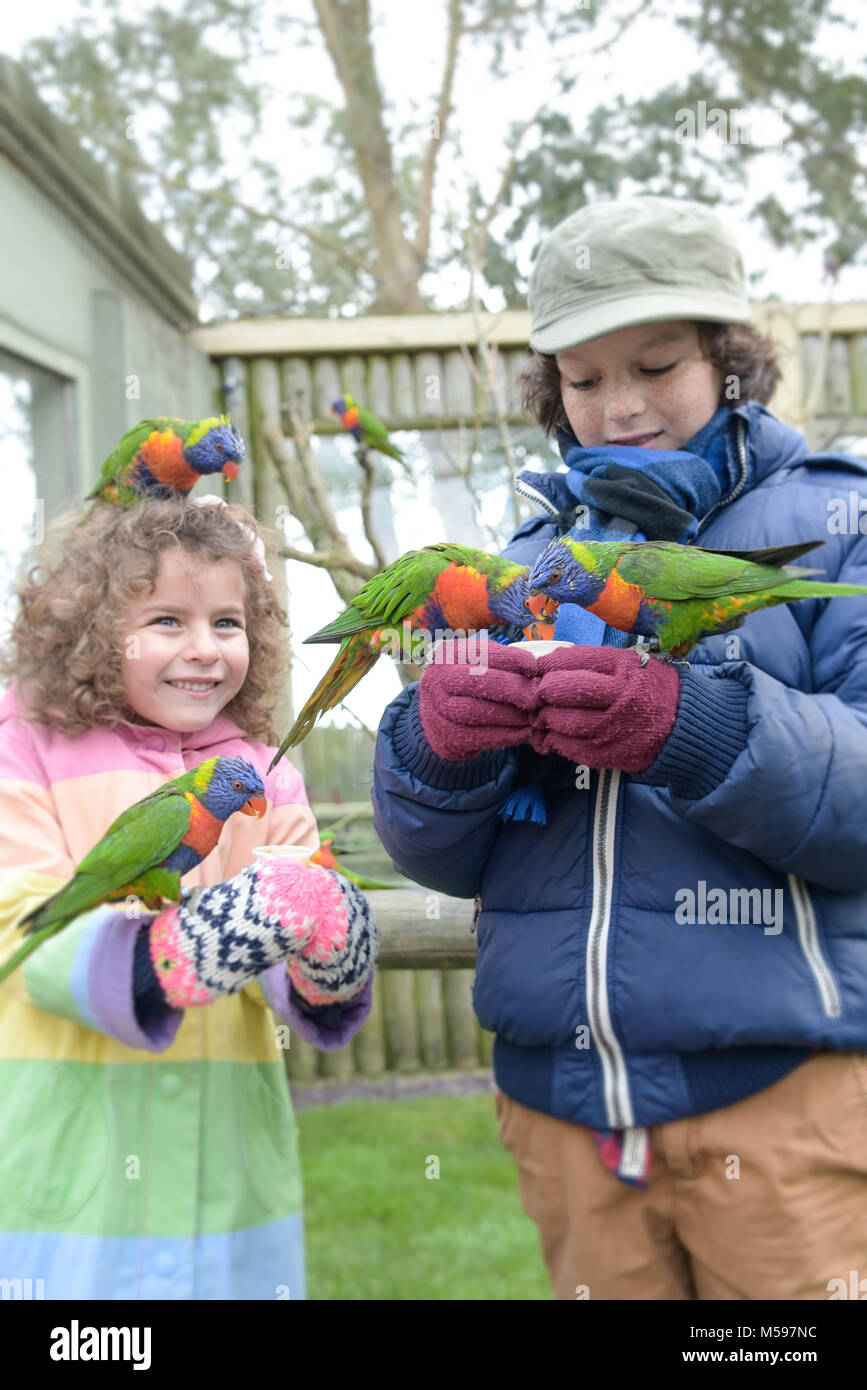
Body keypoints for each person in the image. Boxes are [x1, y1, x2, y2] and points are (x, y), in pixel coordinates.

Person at [371, 196, 867, 1300]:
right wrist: (442, 749)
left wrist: (698, 727)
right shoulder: (515, 565)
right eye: (583, 379)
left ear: (734, 362)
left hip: (784, 1102)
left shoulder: (841, 527)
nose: (621, 405)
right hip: (564, 1112)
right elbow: (433, 847)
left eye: (655, 364)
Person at [0, 493, 378, 1300]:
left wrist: (329, 948)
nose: (204, 649)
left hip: (228, 1182)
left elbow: (296, 900)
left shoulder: (261, 774)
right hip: (70, 1178)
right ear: (93, 629)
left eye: (228, 623)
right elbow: (15, 922)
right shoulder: (23, 746)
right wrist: (170, 953)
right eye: (167, 620)